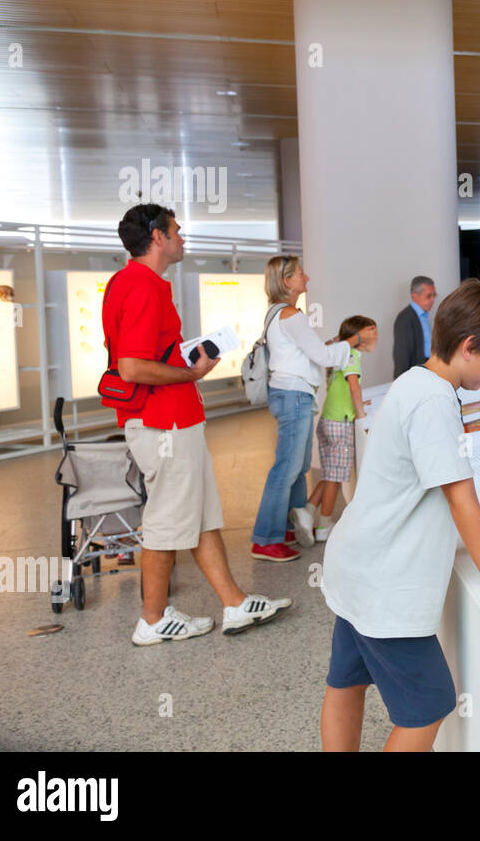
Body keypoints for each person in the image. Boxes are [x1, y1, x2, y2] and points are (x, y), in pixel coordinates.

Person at [319, 279, 480, 752]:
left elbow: (430, 493)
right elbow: (459, 499)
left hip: (356, 567)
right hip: (386, 587)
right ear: (469, 347)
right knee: (429, 705)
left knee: (346, 681)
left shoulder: (414, 382)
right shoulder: (435, 401)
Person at [104, 203, 290, 645]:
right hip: (162, 424)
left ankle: (234, 603)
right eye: (177, 231)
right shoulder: (143, 286)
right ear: (157, 237)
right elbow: (131, 367)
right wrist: (191, 373)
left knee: (202, 516)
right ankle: (151, 620)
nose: (183, 239)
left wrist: (184, 362)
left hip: (175, 421)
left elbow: (144, 356)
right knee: (167, 521)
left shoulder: (133, 283)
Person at [252, 255, 361, 560]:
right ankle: (265, 539)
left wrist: (332, 345)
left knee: (297, 468)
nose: (307, 278)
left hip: (290, 394)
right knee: (286, 469)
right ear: (287, 281)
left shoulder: (276, 314)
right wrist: (354, 341)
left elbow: (308, 353)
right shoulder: (291, 316)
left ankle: (292, 525)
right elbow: (323, 358)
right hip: (294, 396)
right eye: (301, 274)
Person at [307, 315, 378, 542]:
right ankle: (324, 527)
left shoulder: (339, 355)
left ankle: (307, 511)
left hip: (328, 420)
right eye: (371, 332)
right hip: (341, 424)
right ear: (359, 338)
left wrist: (356, 403)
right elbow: (354, 389)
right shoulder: (352, 354)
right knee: (336, 476)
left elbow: (344, 390)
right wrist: (363, 418)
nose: (376, 336)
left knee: (330, 473)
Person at [392, 276, 436, 378]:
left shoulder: (424, 316)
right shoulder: (405, 318)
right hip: (414, 375)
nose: (432, 300)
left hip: (427, 370)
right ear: (414, 296)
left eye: (434, 295)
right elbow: (401, 355)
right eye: (428, 296)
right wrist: (401, 382)